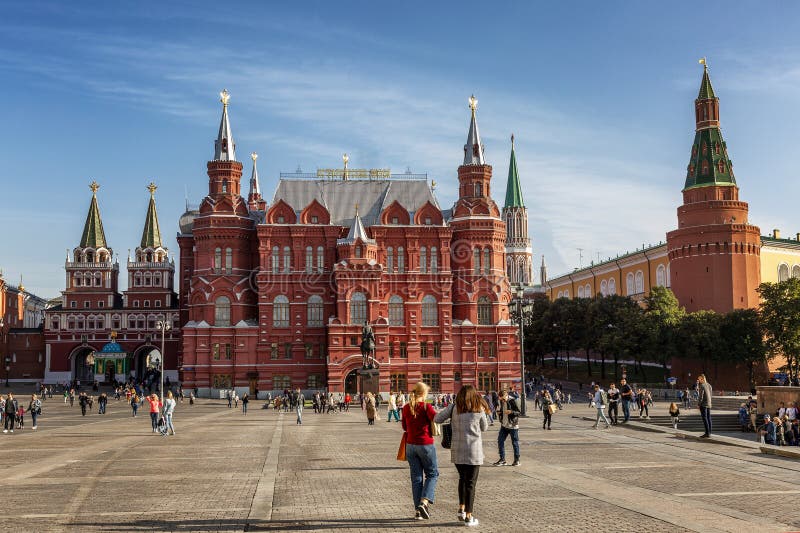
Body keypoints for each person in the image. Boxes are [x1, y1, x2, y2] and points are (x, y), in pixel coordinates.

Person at [434, 385, 489, 527]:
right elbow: (484, 427)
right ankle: (469, 516)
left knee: (462, 479)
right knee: (470, 483)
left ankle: (461, 509)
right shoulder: (478, 408)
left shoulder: (453, 408)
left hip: (457, 450)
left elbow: (437, 419)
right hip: (474, 451)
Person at [401, 381, 439, 521]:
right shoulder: (426, 406)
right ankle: (424, 502)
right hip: (425, 444)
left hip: (410, 445)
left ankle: (418, 511)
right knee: (432, 474)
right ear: (423, 393)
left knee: (416, 478)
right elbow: (437, 419)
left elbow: (404, 427)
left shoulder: (406, 407)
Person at [493, 389, 521, 466]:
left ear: (506, 395)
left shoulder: (513, 400)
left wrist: (511, 412)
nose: (502, 400)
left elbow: (519, 412)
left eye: (503, 398)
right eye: (501, 399)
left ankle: (517, 460)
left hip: (513, 425)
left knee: (514, 443)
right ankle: (502, 460)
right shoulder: (502, 401)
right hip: (504, 425)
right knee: (500, 441)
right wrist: (500, 413)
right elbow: (503, 411)